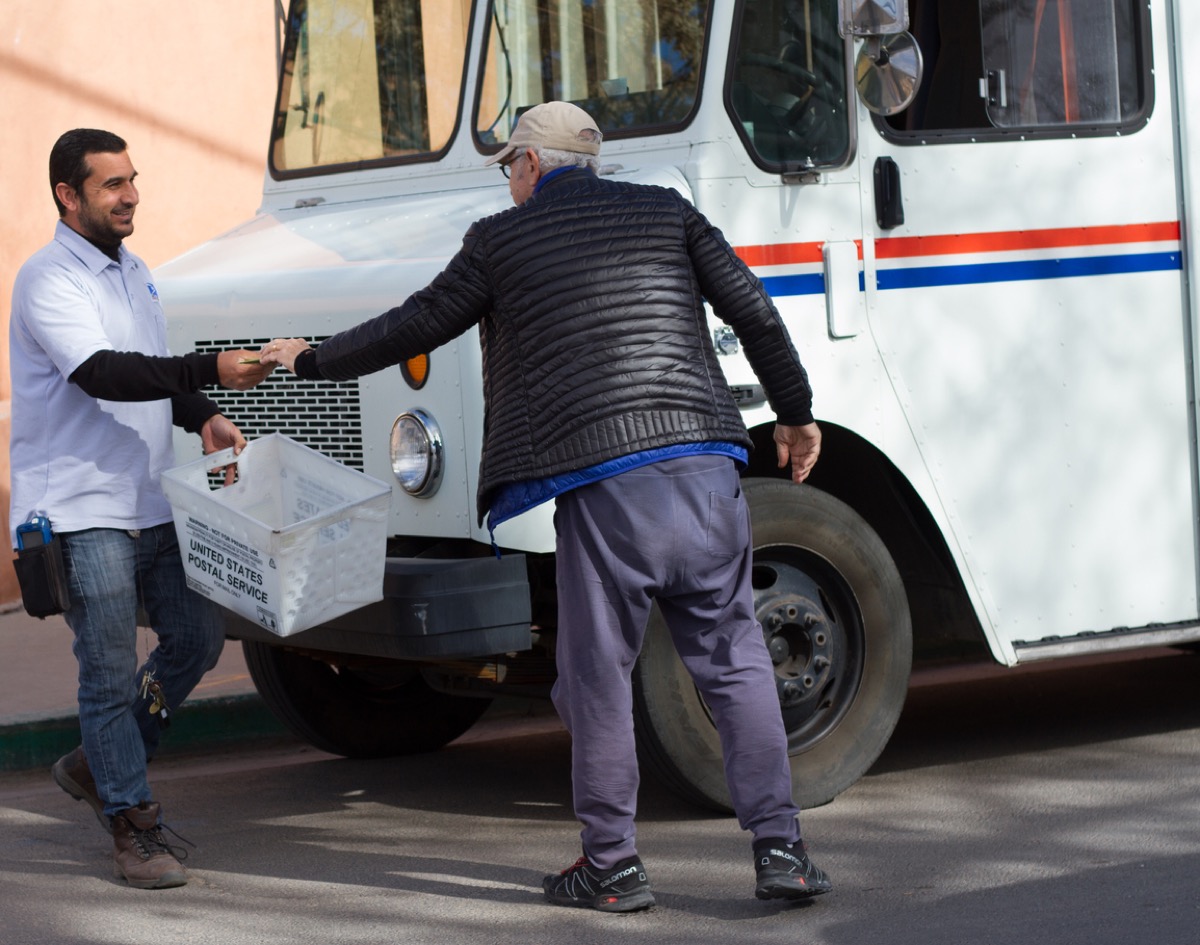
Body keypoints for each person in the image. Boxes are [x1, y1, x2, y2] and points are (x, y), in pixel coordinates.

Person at [260, 101, 830, 910]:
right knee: (735, 665)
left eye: (509, 167)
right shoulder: (668, 212)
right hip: (707, 473)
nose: (510, 182)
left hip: (609, 490)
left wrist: (309, 359)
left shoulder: (499, 239)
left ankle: (613, 864)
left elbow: (415, 323)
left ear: (530, 164)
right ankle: (783, 850)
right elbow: (754, 312)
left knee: (598, 677)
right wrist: (796, 414)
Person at [8, 129, 273, 889]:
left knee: (195, 635)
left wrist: (201, 411)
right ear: (67, 195)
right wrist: (211, 367)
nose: (130, 196)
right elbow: (104, 372)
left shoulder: (136, 272)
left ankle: (99, 760)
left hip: (148, 496)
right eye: (110, 185)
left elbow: (148, 366)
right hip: (80, 506)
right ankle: (132, 824)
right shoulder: (47, 278)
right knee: (106, 665)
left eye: (132, 179)